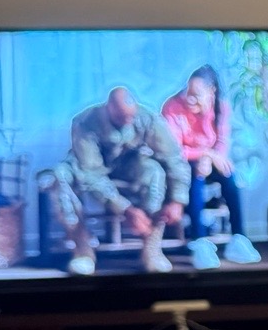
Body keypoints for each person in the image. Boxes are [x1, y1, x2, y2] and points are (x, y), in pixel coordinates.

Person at [42, 86, 190, 275]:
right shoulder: (85, 122)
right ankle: (82, 250)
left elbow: (174, 158)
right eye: (121, 118)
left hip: (128, 165)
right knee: (60, 176)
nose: (128, 121)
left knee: (155, 171)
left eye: (131, 117)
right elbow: (91, 173)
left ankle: (152, 248)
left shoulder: (147, 118)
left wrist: (177, 200)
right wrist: (126, 209)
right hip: (89, 168)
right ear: (108, 108)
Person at [161, 65, 248, 248]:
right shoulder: (172, 107)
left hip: (209, 160)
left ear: (212, 91)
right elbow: (174, 151)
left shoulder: (221, 108)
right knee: (196, 175)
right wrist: (206, 154)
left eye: (197, 95)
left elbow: (222, 142)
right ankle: (199, 240)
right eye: (188, 93)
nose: (190, 99)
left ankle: (240, 238)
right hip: (181, 164)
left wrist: (210, 158)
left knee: (228, 174)